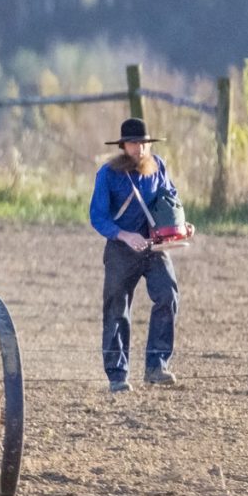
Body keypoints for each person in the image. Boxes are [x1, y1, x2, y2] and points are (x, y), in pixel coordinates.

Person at [89, 117, 181, 394]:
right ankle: (117, 375)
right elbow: (98, 216)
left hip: (154, 247)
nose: (139, 149)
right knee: (117, 310)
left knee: (168, 296)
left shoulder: (159, 166)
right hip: (121, 250)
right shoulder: (107, 174)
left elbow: (170, 198)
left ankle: (157, 366)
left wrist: (178, 225)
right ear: (123, 145)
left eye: (143, 143)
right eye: (133, 143)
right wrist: (125, 236)